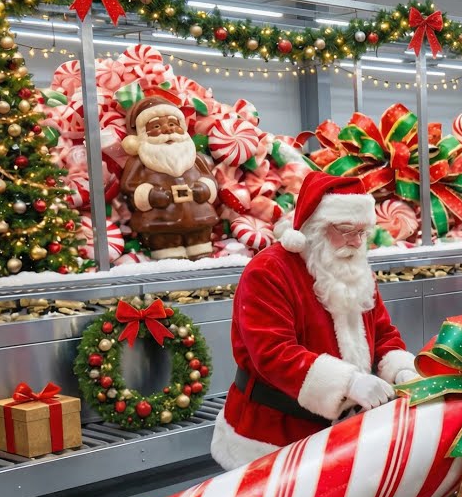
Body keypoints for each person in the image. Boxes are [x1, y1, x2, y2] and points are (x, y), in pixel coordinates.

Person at [210, 173, 419, 470]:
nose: (356, 242)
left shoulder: (355, 269)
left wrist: (400, 370)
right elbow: (273, 353)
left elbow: (383, 332)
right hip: (274, 433)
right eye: (345, 230)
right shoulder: (269, 271)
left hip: (345, 431)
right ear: (315, 228)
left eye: (362, 232)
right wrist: (348, 382)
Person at [118, 92, 219, 260]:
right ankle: (169, 254)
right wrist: (150, 195)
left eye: (173, 123)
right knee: (169, 251)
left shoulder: (194, 157)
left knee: (201, 250)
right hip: (160, 222)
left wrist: (204, 188)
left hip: (199, 217)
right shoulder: (140, 161)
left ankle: (200, 251)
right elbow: (129, 186)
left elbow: (210, 180)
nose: (168, 129)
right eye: (156, 126)